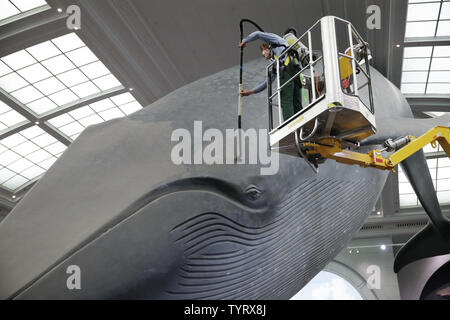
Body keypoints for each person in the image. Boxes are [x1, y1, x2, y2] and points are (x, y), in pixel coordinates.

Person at [238, 31, 302, 122]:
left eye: (263, 52)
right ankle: (301, 126)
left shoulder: (277, 42)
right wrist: (250, 92)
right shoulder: (276, 63)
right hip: (295, 73)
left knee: (286, 100)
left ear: (266, 48)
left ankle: (289, 125)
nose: (263, 55)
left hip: (288, 73)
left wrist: (245, 40)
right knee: (296, 103)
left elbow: (258, 34)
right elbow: (268, 82)